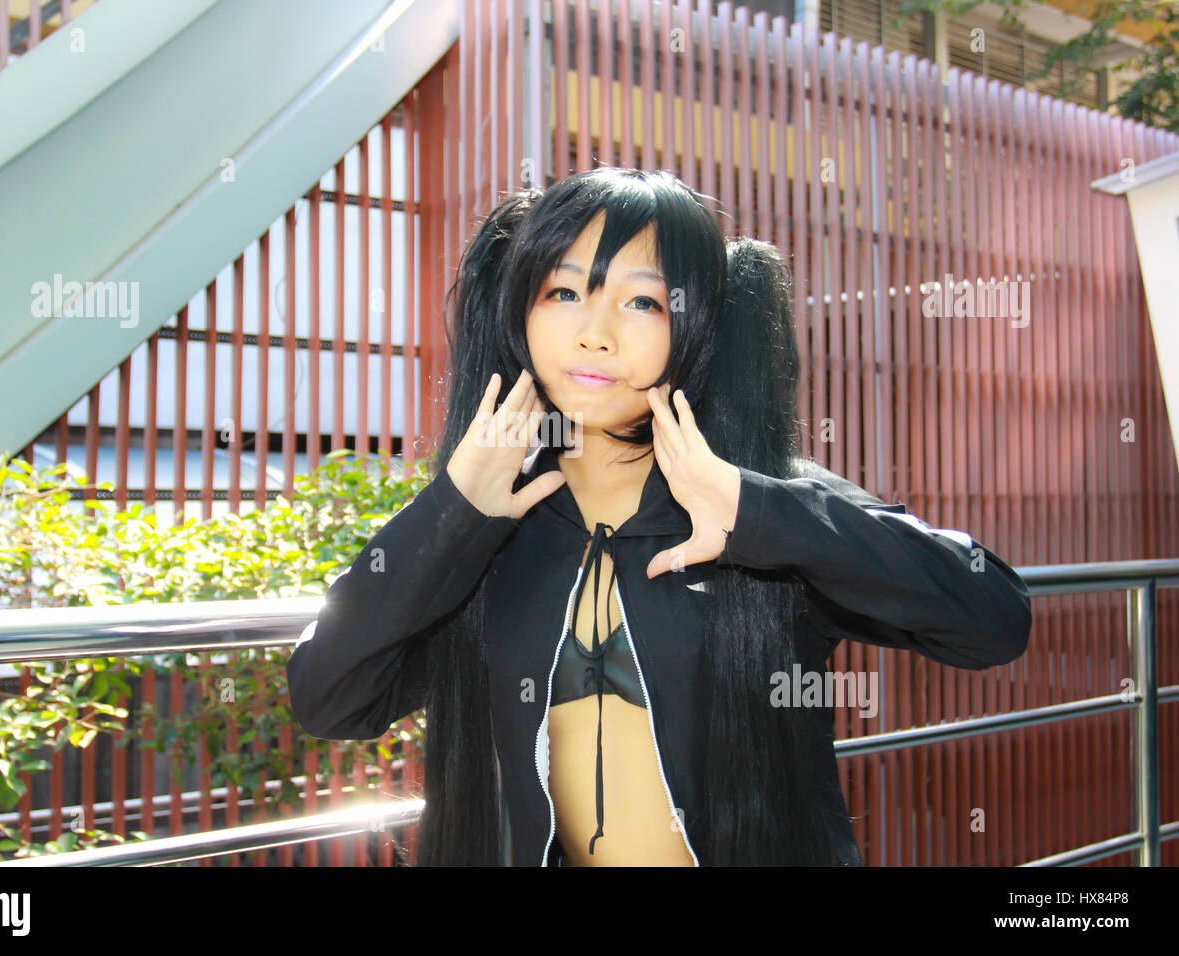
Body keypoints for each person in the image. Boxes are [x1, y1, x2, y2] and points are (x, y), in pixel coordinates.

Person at [286, 167, 1032, 866]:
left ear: (696, 325)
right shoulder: (489, 528)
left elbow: (994, 617)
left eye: (643, 301)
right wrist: (454, 514)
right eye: (563, 292)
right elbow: (329, 698)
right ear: (520, 308)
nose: (596, 334)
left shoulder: (763, 502)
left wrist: (761, 511)